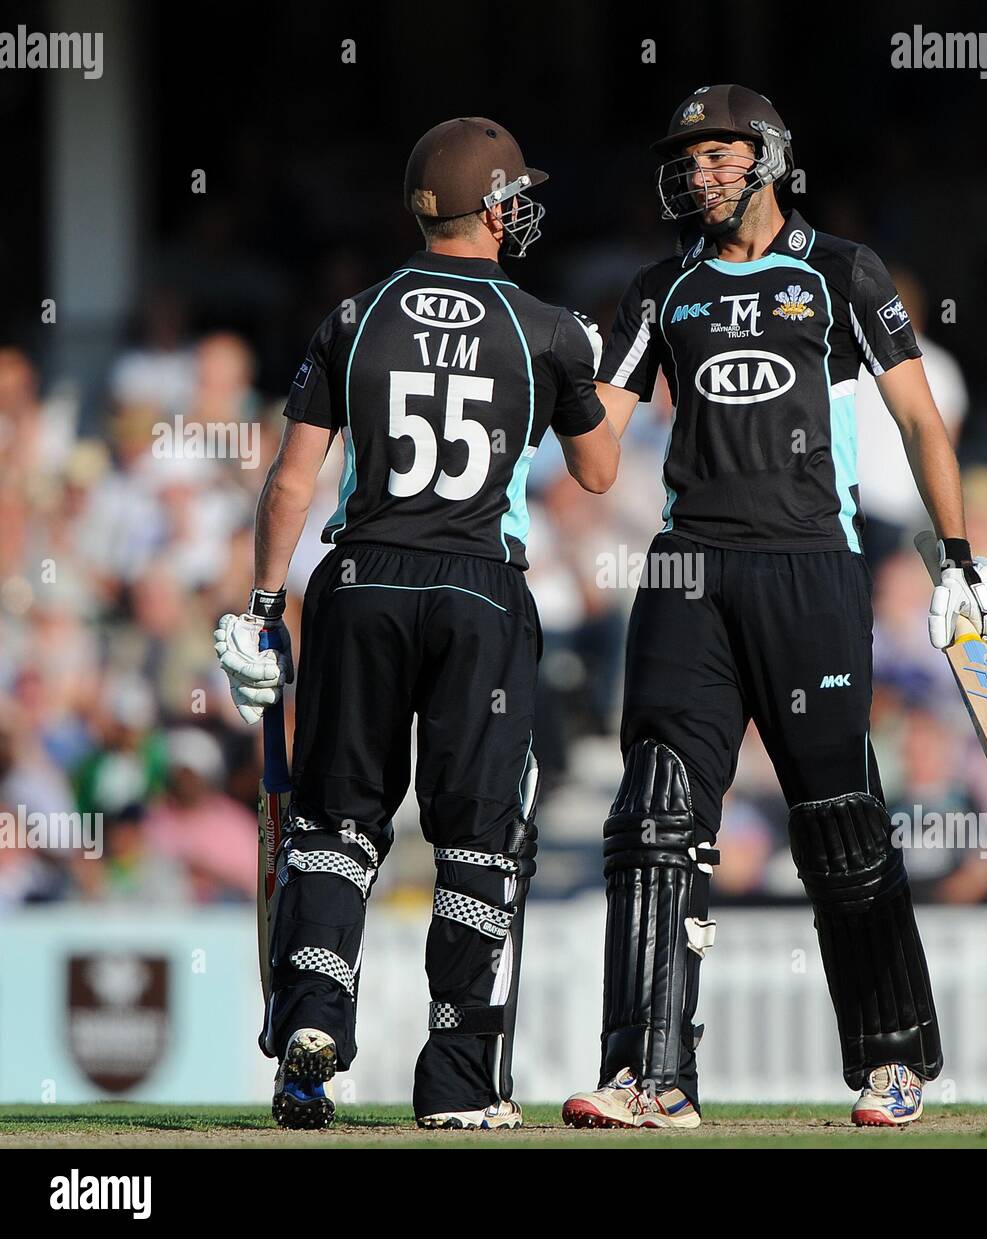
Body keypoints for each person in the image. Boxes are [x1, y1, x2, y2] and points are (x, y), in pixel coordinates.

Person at [562, 85, 987, 1130]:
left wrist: (960, 561)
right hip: (686, 574)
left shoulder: (840, 272)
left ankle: (892, 1065)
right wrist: (557, 371)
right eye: (688, 158)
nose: (700, 174)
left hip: (811, 567)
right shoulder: (659, 287)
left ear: (768, 158)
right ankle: (652, 1075)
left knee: (839, 821)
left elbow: (919, 424)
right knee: (656, 817)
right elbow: (592, 466)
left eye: (720, 155)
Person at [214, 117, 619, 1131]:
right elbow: (601, 470)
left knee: (335, 827)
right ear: (491, 208)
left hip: (357, 583)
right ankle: (457, 1083)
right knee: (477, 843)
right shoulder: (548, 327)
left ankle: (311, 1026)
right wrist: (609, 366)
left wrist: (265, 609)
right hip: (480, 585)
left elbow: (289, 483)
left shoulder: (353, 316)